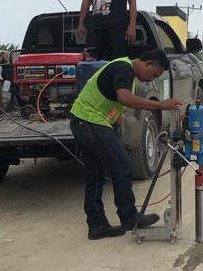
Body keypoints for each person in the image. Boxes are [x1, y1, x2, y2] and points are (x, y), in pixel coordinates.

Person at [69, 50, 181, 239]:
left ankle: (96, 226)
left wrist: (116, 117)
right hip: (90, 121)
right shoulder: (124, 68)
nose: (151, 80)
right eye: (154, 74)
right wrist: (161, 105)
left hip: (84, 121)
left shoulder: (127, 72)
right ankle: (129, 216)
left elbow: (115, 100)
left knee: (95, 175)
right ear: (148, 63)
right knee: (122, 164)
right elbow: (124, 97)